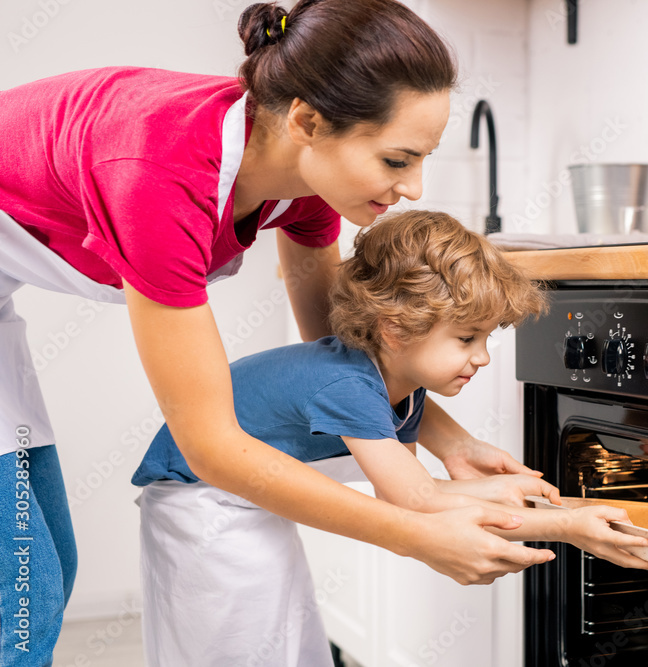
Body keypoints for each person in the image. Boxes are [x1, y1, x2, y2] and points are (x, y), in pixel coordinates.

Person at [0, 1, 547, 663]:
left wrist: (451, 442)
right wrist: (414, 534)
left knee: (44, 558)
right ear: (308, 121)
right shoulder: (160, 175)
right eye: (397, 159)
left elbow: (345, 352)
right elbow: (213, 448)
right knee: (21, 599)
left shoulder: (305, 177)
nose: (413, 186)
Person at [131, 210, 648, 666]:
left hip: (247, 498)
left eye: (487, 338)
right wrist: (565, 526)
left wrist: (499, 490)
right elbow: (415, 500)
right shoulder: (350, 385)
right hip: (199, 504)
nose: (483, 357)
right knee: (230, 646)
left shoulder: (398, 384)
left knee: (287, 637)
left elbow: (414, 487)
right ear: (394, 328)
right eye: (467, 338)